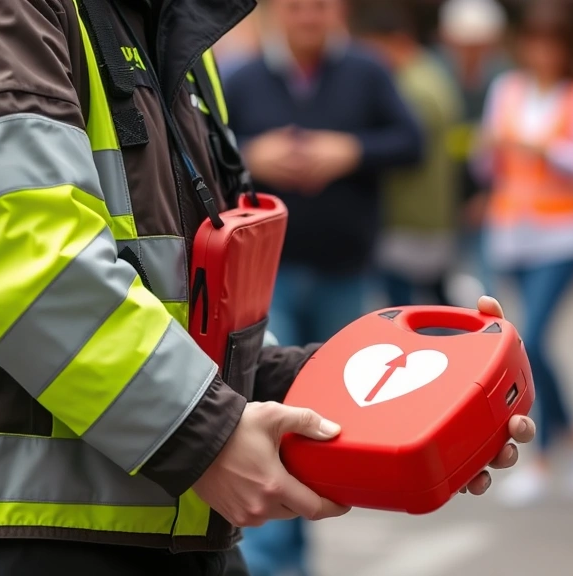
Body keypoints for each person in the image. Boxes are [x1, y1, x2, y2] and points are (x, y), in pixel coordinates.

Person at [0, 0, 534, 575]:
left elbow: (187, 300)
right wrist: (207, 437)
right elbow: (26, 260)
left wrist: (363, 399)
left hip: (148, 516)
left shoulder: (162, 29)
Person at [224, 0, 423, 572]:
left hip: (344, 268)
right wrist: (252, 155)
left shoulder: (367, 70)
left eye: (319, 4)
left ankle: (299, 542)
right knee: (269, 410)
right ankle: (274, 558)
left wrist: (351, 150)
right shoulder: (241, 78)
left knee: (335, 413)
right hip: (269, 273)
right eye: (296, 5)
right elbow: (200, 157)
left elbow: (414, 144)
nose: (308, 14)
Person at [472, 0, 573, 507]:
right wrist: (486, 147)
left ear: (565, 47)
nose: (541, 51)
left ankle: (547, 454)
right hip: (513, 231)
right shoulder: (506, 88)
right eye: (533, 40)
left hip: (565, 234)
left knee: (530, 338)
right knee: (534, 342)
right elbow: (487, 166)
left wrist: (544, 149)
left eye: (551, 41)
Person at [355, 0, 463, 307]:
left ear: (397, 41)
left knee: (408, 317)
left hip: (410, 221)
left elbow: (408, 152)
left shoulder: (411, 87)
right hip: (429, 218)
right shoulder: (431, 73)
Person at [437, 0, 511, 301]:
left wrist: (486, 193)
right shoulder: (438, 74)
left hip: (485, 198)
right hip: (444, 198)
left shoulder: (503, 79)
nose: (470, 51)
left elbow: (503, 142)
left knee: (484, 283)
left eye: (478, 44)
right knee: (443, 283)